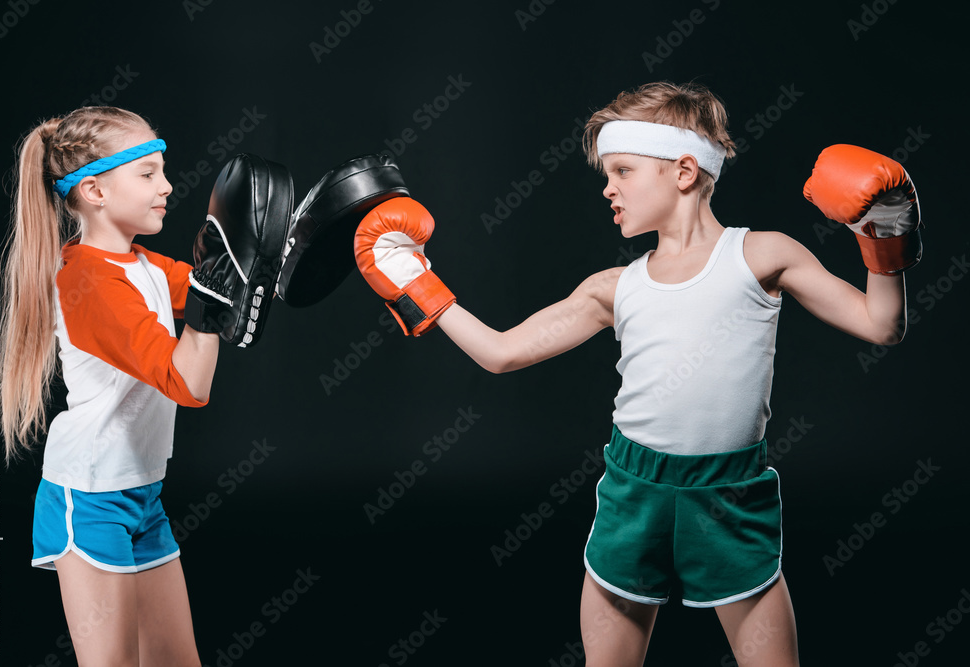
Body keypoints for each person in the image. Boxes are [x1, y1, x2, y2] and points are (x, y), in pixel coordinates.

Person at [352, 81, 921, 666]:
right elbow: (500, 352)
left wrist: (885, 229)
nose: (608, 187)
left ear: (682, 171)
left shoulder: (764, 254)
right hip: (634, 491)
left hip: (730, 495)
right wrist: (412, 277)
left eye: (622, 169)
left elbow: (882, 324)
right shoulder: (613, 287)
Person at [0, 106, 241, 666]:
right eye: (148, 174)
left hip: (142, 496)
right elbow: (187, 382)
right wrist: (211, 305)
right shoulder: (88, 281)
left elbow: (227, 294)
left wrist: (282, 251)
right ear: (95, 191)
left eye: (163, 171)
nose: (167, 187)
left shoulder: (144, 266)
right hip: (90, 497)